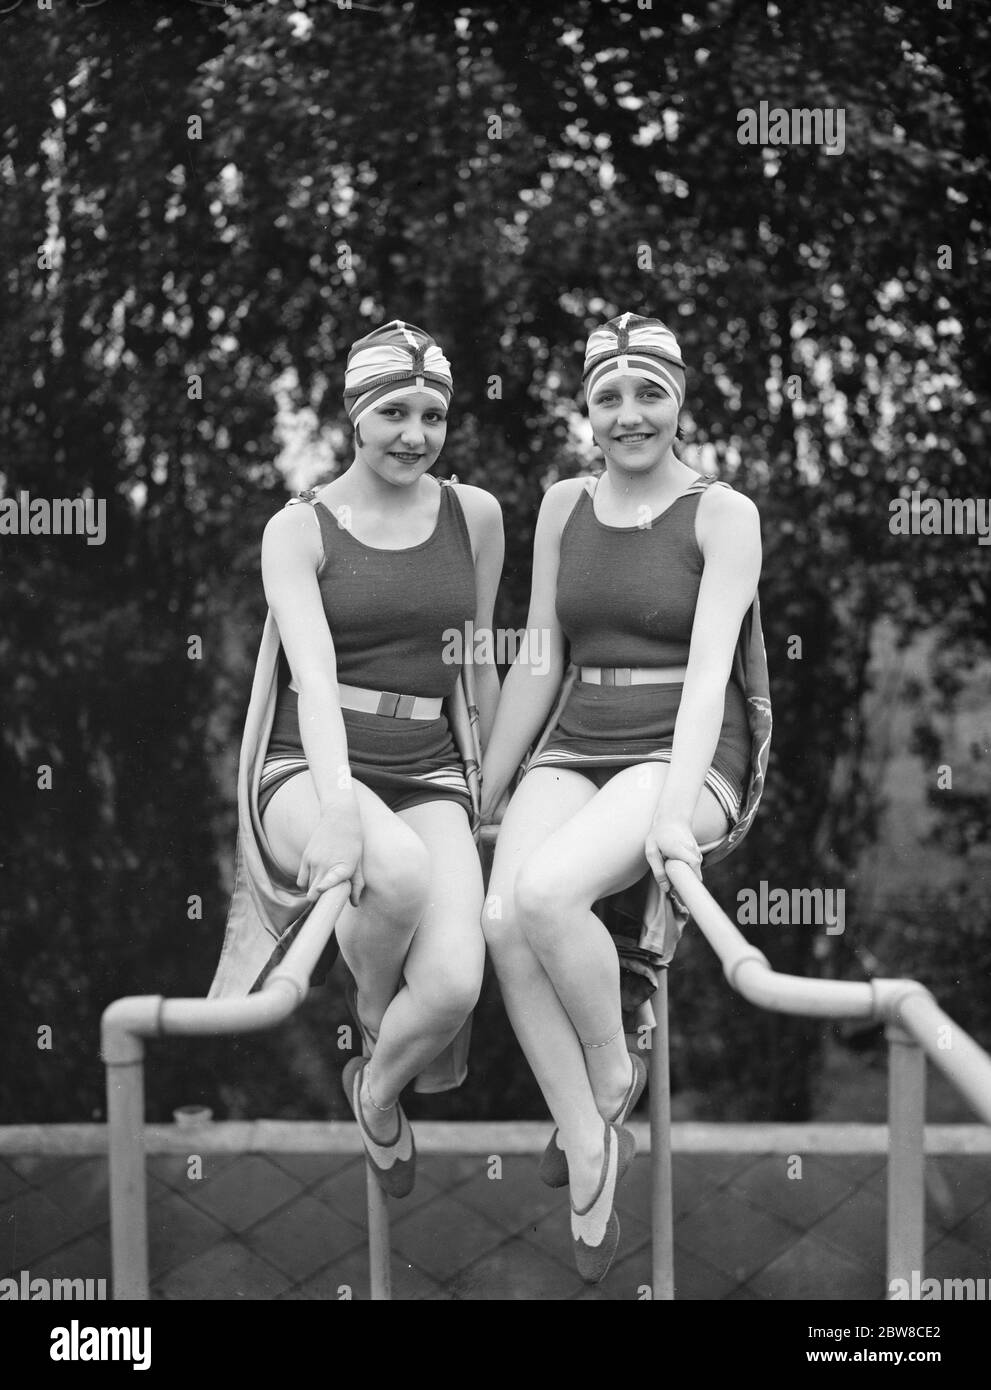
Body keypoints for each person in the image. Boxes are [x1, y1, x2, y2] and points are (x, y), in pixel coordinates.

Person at [479, 312, 766, 1282]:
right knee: (498, 915)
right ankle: (592, 1143)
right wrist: (486, 784)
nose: (628, 413)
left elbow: (706, 679)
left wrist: (673, 820)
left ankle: (611, 1067)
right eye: (608, 396)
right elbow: (539, 654)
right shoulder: (563, 504)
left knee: (549, 891)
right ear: (587, 409)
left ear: (681, 399)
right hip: (578, 736)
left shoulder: (722, 514)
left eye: (649, 392)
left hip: (685, 748)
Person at [209, 320, 503, 1198]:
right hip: (308, 766)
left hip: (428, 767)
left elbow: (479, 659)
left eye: (433, 415)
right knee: (400, 873)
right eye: (394, 413)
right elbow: (315, 669)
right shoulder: (298, 530)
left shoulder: (474, 515)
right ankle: (373, 1013)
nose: (415, 433)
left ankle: (374, 1088)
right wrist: (339, 803)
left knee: (454, 984)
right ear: (354, 413)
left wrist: (505, 786)